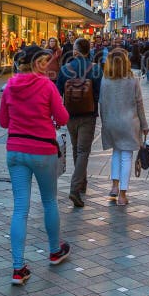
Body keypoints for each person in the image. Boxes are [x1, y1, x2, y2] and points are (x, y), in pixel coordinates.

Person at [0, 45, 71, 285]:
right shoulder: (47, 86)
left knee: (20, 208)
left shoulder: (9, 86)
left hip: (16, 150)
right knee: (49, 201)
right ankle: (54, 251)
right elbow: (63, 118)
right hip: (42, 150)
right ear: (37, 64)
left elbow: (3, 121)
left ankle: (18, 268)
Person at [56, 38, 102, 208]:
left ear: (75, 50)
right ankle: (76, 188)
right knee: (83, 151)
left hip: (70, 115)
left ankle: (81, 183)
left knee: (76, 149)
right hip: (88, 115)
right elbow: (99, 93)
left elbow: (57, 93)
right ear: (88, 50)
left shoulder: (64, 69)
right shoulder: (95, 69)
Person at [99, 49, 149, 206]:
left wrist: (105, 122)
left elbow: (102, 103)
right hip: (128, 123)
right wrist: (145, 125)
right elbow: (139, 104)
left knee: (116, 153)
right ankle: (122, 195)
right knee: (126, 156)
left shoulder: (105, 79)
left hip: (111, 122)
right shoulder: (132, 80)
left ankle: (114, 186)